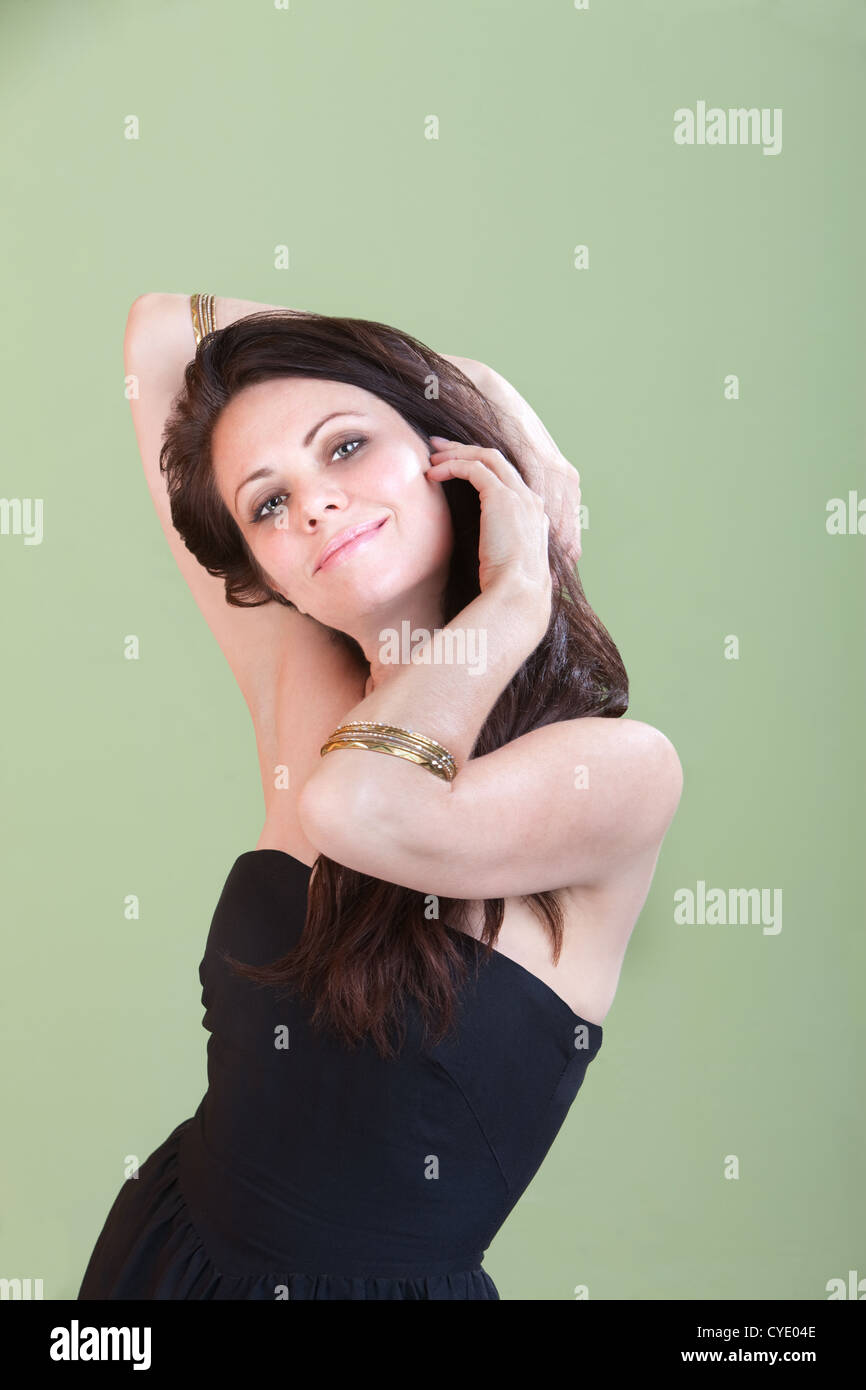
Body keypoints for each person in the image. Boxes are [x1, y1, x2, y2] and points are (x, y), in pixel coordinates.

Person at [77, 294, 683, 1300]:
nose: (311, 503)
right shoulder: (303, 686)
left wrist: (513, 590)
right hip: (164, 1263)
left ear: (446, 451)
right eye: (267, 503)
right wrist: (488, 387)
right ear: (267, 576)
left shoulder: (613, 771)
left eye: (347, 446)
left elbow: (359, 808)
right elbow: (158, 334)